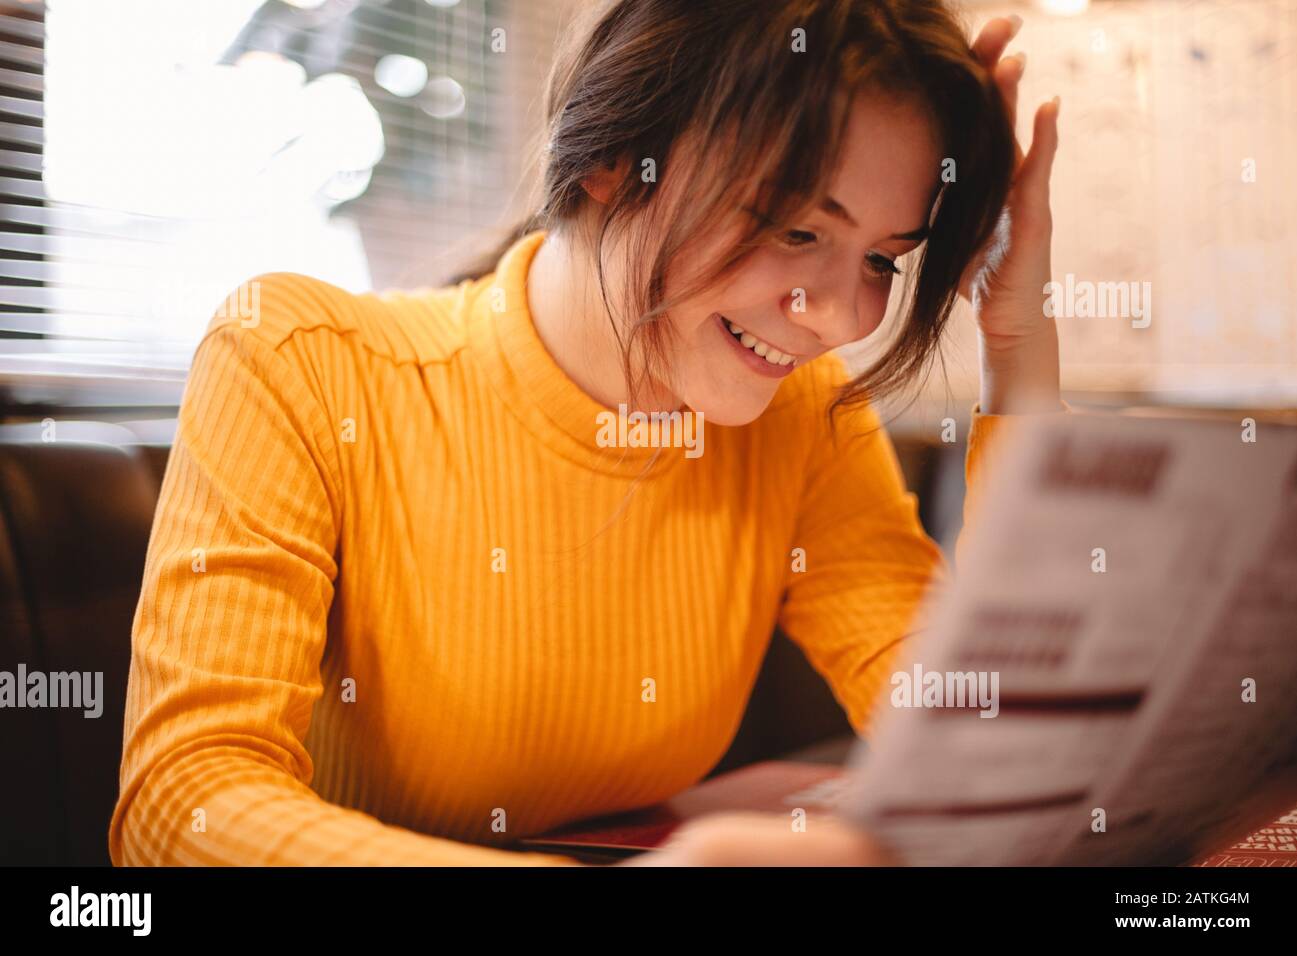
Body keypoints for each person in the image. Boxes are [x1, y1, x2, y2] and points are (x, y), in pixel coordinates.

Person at [110, 0, 1063, 868]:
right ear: (614, 158)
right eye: (799, 231)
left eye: (885, 262)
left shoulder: (801, 416)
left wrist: (1019, 343)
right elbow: (182, 807)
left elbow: (988, 754)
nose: (837, 318)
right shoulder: (297, 360)